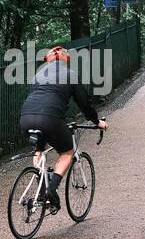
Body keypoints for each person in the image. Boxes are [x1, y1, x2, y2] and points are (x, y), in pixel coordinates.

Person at [19, 47, 108, 209]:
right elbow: (84, 104)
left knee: (39, 149)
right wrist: (96, 122)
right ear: (66, 60)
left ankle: (42, 183)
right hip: (50, 119)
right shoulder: (70, 74)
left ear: (48, 61)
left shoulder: (39, 75)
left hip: (26, 118)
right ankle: (50, 191)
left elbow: (41, 98)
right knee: (67, 152)